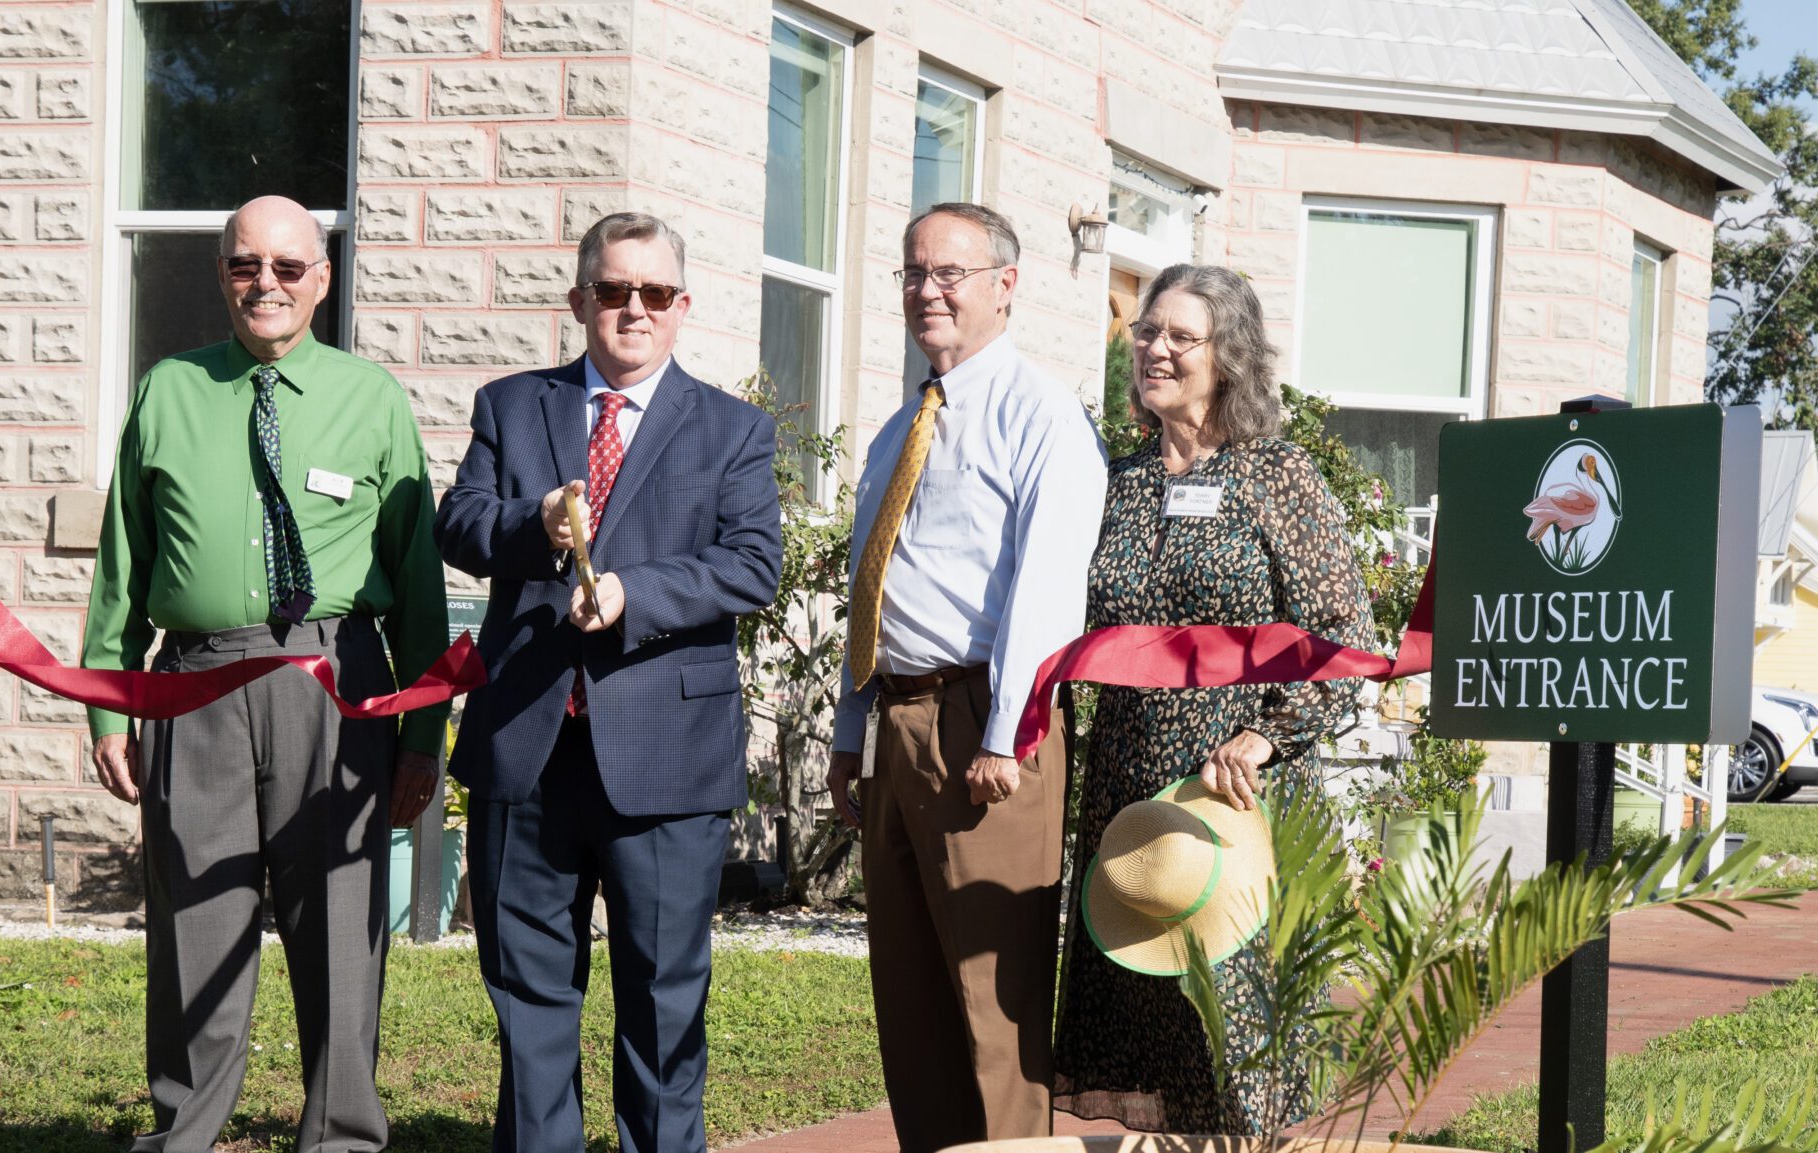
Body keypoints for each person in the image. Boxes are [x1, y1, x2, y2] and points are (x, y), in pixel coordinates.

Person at [81, 195, 448, 1153]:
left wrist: (421, 738)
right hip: (195, 685)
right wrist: (109, 709)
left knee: (340, 928)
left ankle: (340, 1138)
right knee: (195, 925)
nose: (266, 284)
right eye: (246, 265)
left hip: (335, 684)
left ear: (321, 280)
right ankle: (187, 1133)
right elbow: (123, 561)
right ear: (222, 275)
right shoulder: (169, 390)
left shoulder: (371, 399)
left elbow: (415, 587)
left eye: (288, 267)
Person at [434, 212, 782, 1153]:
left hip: (665, 758)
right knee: (529, 998)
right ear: (580, 298)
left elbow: (754, 565)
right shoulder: (513, 404)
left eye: (655, 294)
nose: (635, 309)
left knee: (664, 1004)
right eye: (615, 290)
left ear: (681, 307)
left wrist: (638, 591)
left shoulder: (733, 429)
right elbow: (459, 523)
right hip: (529, 750)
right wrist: (532, 523)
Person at [1052, 263, 1372, 1133]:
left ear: (1227, 357)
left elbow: (1348, 636)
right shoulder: (1116, 481)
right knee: (1149, 1040)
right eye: (1146, 333)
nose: (1153, 350)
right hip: (1129, 798)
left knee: (1235, 1050)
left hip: (1233, 799)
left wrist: (1269, 736)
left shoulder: (1275, 475)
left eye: (1178, 337)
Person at [825, 202, 1109, 1153]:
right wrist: (846, 733)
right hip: (897, 722)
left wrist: (1008, 736)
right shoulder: (903, 423)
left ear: (1006, 286)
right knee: (910, 1003)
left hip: (985, 719)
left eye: (950, 272)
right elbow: (876, 579)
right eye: (912, 273)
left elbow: (1049, 585)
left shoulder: (1043, 416)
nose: (927, 290)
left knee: (996, 1004)